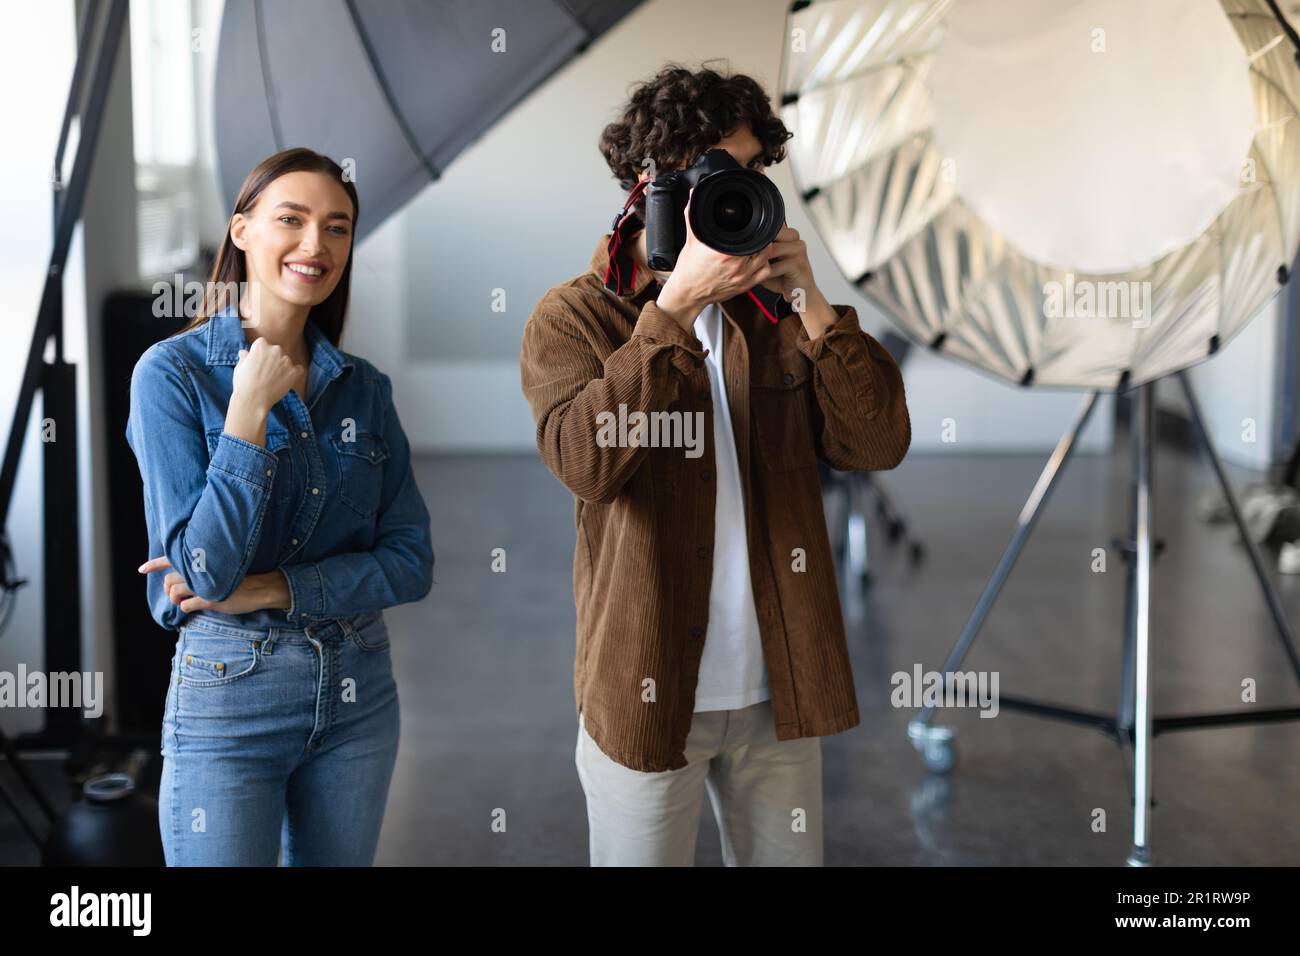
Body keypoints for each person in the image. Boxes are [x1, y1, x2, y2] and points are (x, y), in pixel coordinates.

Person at [519, 65, 911, 866]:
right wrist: (671, 312)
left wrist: (812, 303)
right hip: (646, 687)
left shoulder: (777, 316)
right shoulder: (575, 317)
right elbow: (584, 462)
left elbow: (876, 445)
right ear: (649, 183)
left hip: (779, 687)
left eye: (750, 172)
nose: (734, 193)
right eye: (712, 174)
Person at [126, 147, 434, 865]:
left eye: (337, 227)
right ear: (241, 231)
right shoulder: (170, 376)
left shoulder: (365, 388)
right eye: (290, 220)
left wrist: (272, 588)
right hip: (231, 696)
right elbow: (204, 573)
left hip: (359, 692)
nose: (314, 245)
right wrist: (247, 412)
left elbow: (410, 561)